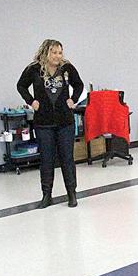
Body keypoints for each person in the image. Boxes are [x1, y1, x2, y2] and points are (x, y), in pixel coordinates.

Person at [17, 39, 84, 209]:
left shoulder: (67, 68)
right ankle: (47, 195)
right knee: (46, 159)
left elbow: (79, 84)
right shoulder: (34, 69)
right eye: (54, 52)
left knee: (67, 159)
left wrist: (73, 100)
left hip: (65, 122)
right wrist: (31, 101)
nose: (57, 56)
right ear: (46, 52)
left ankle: (72, 194)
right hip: (43, 123)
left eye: (60, 52)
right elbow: (21, 86)